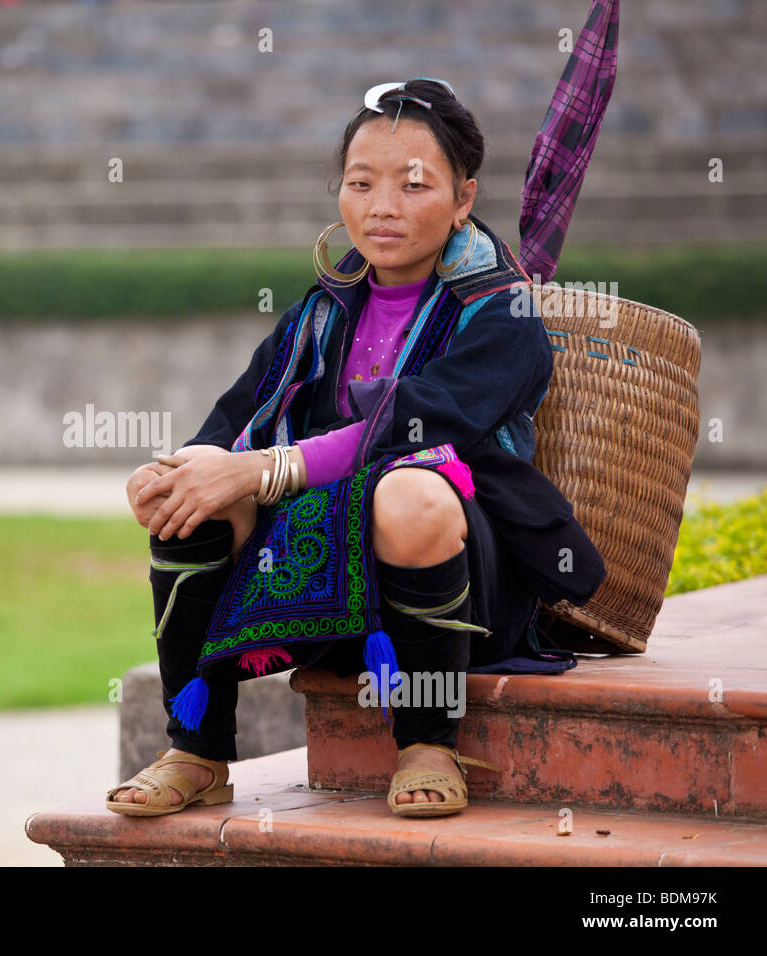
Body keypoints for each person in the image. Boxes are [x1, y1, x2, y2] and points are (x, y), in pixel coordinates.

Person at [106, 78, 605, 819]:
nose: (382, 207)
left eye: (413, 185)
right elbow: (236, 415)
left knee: (406, 488)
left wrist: (263, 467)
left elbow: (413, 423)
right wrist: (177, 470)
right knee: (192, 501)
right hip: (327, 575)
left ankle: (429, 742)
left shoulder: (503, 311)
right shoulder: (322, 308)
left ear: (464, 198)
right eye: (360, 183)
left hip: (466, 575)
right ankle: (197, 750)